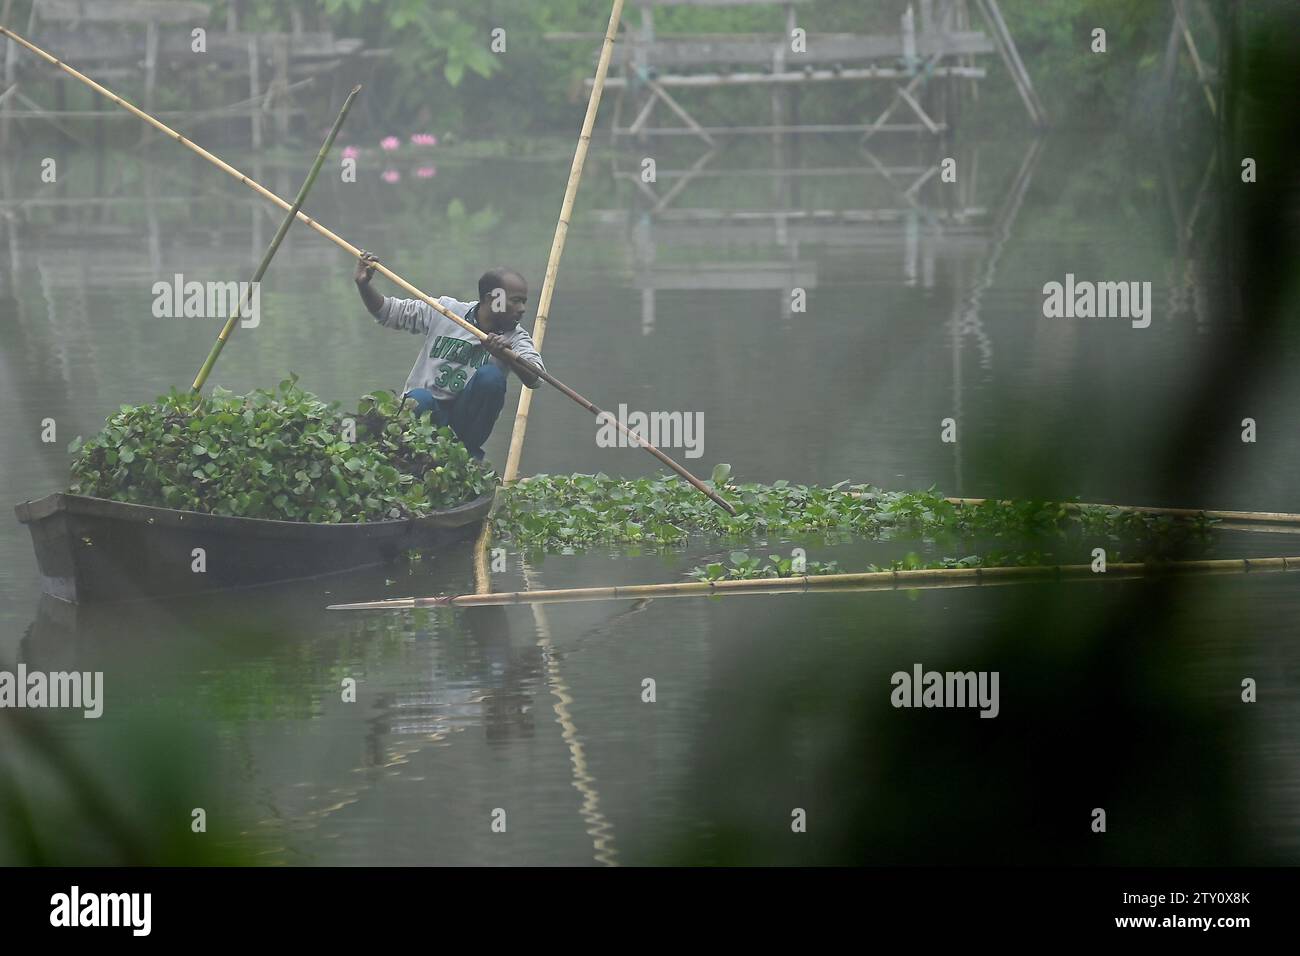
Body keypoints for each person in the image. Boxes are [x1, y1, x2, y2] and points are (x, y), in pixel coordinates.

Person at [354, 251, 544, 461]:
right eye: (516, 301)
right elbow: (388, 312)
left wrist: (509, 356)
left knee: (491, 376)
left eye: (524, 302)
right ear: (494, 299)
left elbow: (535, 378)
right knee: (419, 398)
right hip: (426, 411)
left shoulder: (515, 337)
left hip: (465, 424)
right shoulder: (446, 311)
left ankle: (467, 454)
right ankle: (410, 453)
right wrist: (364, 285)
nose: (522, 309)